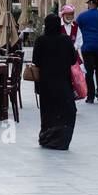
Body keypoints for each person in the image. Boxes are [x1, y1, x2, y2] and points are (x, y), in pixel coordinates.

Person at [29, 13, 78, 150]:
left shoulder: (40, 40)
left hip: (45, 83)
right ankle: (61, 140)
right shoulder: (66, 40)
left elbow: (36, 61)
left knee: (48, 111)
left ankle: (47, 138)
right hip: (63, 82)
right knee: (66, 110)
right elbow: (73, 60)